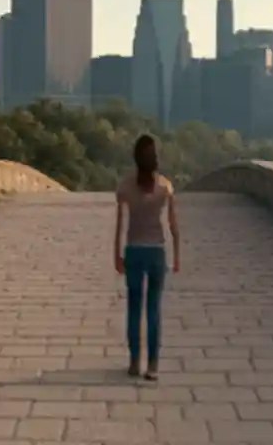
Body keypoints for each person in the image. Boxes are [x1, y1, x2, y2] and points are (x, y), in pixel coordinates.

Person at [114, 134, 180, 381]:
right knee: (153, 310)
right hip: (156, 253)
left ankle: (134, 362)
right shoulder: (165, 187)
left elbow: (121, 225)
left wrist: (116, 255)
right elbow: (173, 225)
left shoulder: (125, 186)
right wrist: (178, 255)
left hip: (133, 251)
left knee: (134, 308)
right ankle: (152, 364)